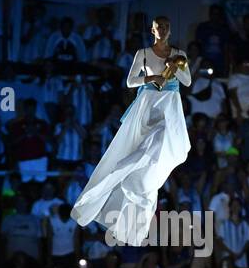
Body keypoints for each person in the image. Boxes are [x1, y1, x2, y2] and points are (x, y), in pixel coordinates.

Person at [71, 16, 192, 245]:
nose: (163, 30)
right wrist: (152, 76)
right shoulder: (143, 53)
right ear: (153, 30)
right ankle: (126, 175)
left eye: (167, 27)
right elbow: (129, 82)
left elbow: (186, 82)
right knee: (146, 149)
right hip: (148, 104)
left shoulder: (179, 53)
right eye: (159, 27)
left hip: (169, 106)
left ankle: (135, 180)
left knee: (158, 147)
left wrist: (176, 67)